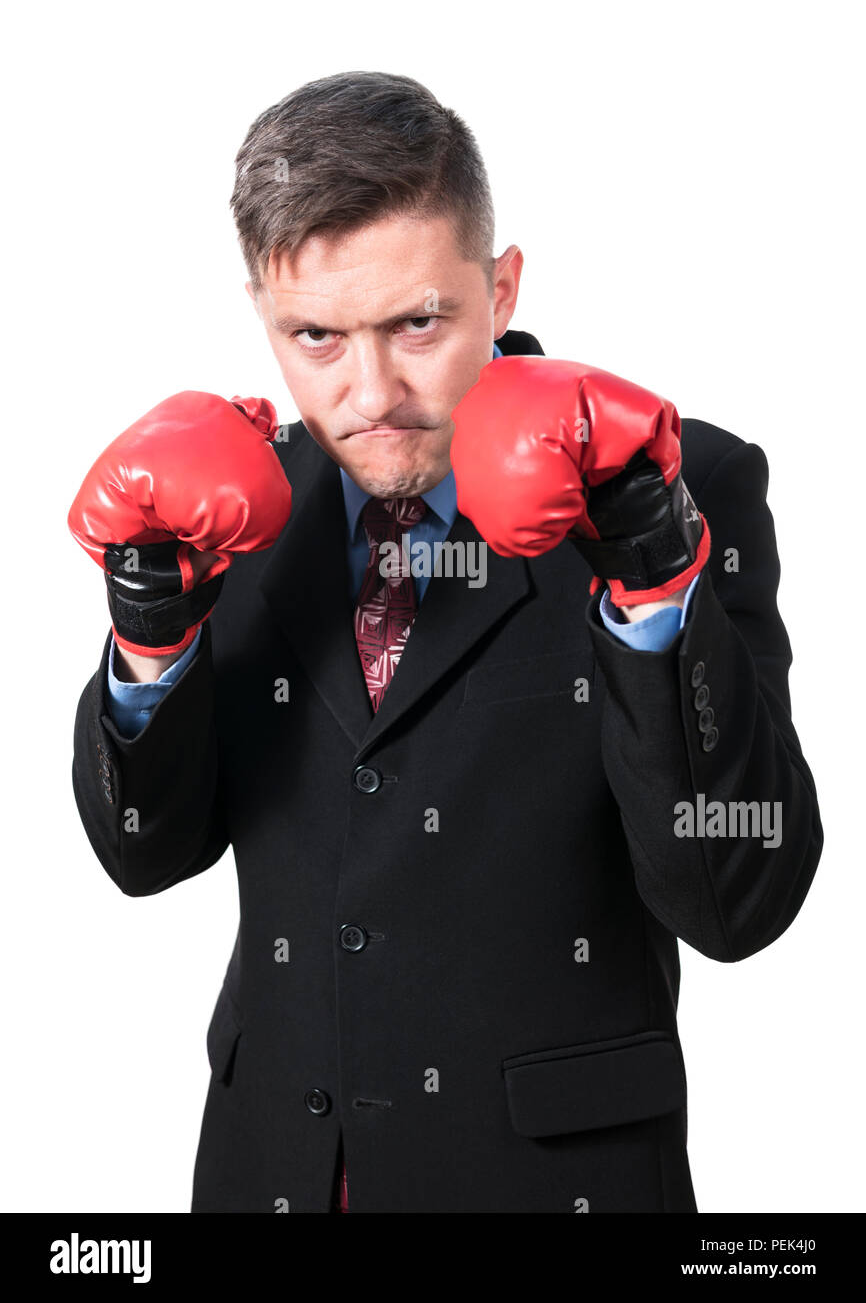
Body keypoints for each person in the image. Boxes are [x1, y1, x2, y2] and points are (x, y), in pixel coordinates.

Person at [69, 70, 823, 1214]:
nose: (371, 391)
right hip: (268, 1170)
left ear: (499, 283)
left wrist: (652, 575)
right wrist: (148, 645)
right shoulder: (232, 505)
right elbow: (146, 855)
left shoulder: (677, 483)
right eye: (314, 335)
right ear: (263, 316)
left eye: (416, 321)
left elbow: (737, 901)